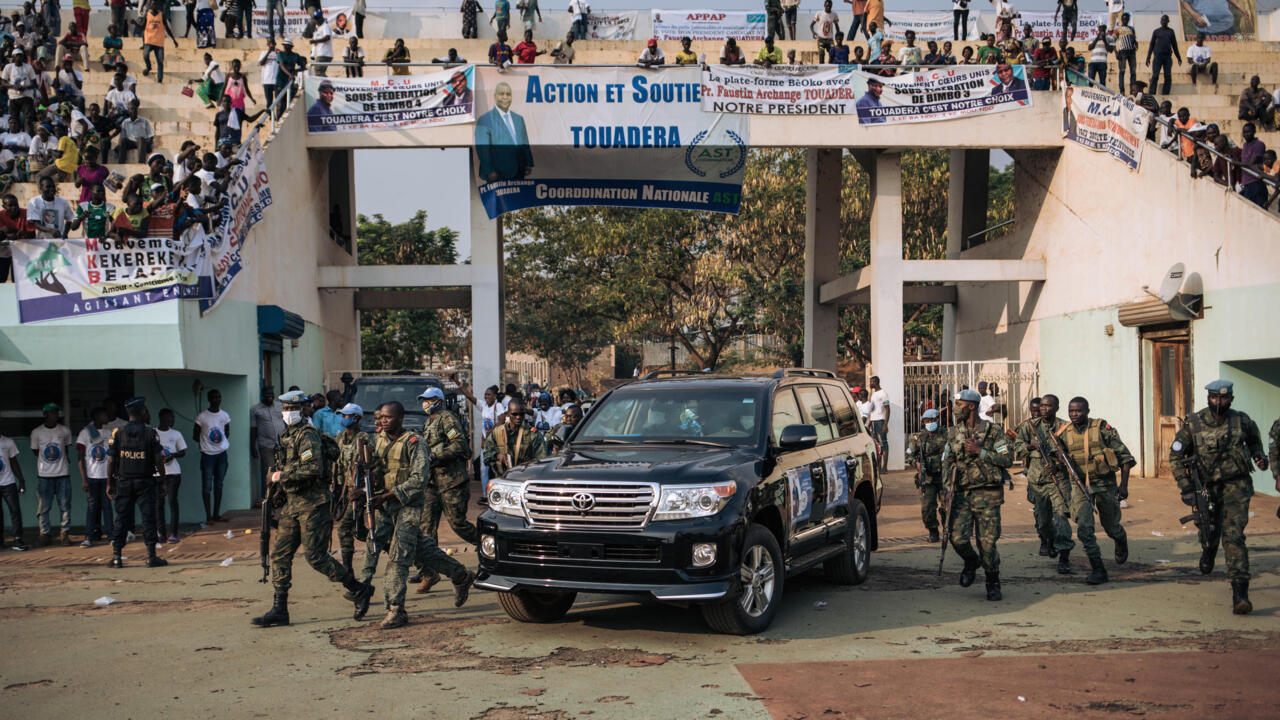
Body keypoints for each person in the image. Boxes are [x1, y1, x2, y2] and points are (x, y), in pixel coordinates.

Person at [252, 391, 375, 628]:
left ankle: (359, 589)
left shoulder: (308, 436)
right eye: (285, 408)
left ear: (304, 409)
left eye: (292, 408)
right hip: (292, 504)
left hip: (313, 505)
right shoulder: (288, 436)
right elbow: (289, 468)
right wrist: (278, 493)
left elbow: (313, 468)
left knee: (316, 557)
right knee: (280, 553)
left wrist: (277, 476)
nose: (287, 412)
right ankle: (280, 608)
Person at [359, 401, 472, 629]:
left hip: (408, 505)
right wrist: (363, 489)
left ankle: (395, 610)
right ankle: (460, 575)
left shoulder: (415, 442)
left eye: (388, 418)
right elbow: (376, 472)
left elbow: (419, 480)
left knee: (399, 556)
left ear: (400, 418)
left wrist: (390, 495)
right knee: (415, 548)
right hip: (384, 505)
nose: (383, 421)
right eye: (381, 418)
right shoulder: (378, 441)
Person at [1169, 380, 1269, 615]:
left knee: (1233, 536)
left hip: (1237, 485)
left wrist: (1259, 457)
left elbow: (1255, 442)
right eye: (1215, 397)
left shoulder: (1242, 420)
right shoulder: (1193, 424)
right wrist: (1186, 488)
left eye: (1224, 398)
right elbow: (1175, 457)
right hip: (1206, 488)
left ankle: (1240, 593)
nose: (1219, 402)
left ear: (1231, 399)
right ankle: (1208, 550)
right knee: (1210, 531)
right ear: (1208, 398)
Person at [942, 388, 1013, 601]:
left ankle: (993, 581)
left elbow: (1007, 459)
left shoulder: (994, 432)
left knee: (988, 543)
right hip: (962, 495)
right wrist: (946, 490)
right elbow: (947, 462)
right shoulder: (953, 432)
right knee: (957, 538)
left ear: (971, 406)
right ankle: (971, 561)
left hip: (988, 495)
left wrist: (979, 452)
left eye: (960, 405)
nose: (956, 409)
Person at [1055, 397, 1133, 586]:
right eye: (1071, 411)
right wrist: (1056, 464)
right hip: (1080, 486)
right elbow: (1058, 459)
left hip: (1105, 485)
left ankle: (1120, 538)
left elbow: (1125, 458)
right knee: (1084, 529)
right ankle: (1098, 569)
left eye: (1078, 411)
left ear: (1087, 411)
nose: (1074, 415)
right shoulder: (1063, 433)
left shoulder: (1101, 429)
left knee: (1111, 526)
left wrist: (1123, 486)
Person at [417, 387, 476, 588]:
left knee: (458, 524)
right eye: (424, 400)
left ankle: (489, 549)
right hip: (432, 483)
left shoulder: (447, 418)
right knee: (426, 527)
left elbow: (460, 445)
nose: (425, 403)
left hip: (452, 482)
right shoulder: (429, 422)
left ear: (439, 401)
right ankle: (429, 572)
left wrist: (436, 455)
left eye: (429, 400)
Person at [1011, 394, 1074, 567]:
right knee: (1043, 521)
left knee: (1061, 517)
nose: (1044, 409)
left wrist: (1059, 465)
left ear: (1056, 408)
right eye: (1043, 406)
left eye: (1049, 406)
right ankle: (1049, 539)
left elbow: (1072, 455)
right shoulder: (1030, 427)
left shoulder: (1065, 427)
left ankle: (1064, 556)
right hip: (1037, 481)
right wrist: (1031, 447)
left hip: (1058, 480)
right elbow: (1017, 446)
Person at [105, 398, 166, 568]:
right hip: (145, 482)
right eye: (146, 410)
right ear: (141, 412)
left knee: (121, 518)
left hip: (124, 481)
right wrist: (163, 481)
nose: (147, 413)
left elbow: (111, 460)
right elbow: (158, 460)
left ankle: (117, 556)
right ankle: (151, 556)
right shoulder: (150, 433)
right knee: (148, 518)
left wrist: (109, 483)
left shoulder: (118, 432)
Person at [333, 402, 370, 580]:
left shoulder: (364, 439)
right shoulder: (339, 438)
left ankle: (347, 569)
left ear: (356, 418)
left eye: (347, 416)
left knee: (344, 528)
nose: (344, 419)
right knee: (359, 531)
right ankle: (387, 545)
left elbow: (370, 467)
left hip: (358, 491)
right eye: (343, 415)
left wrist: (363, 489)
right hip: (343, 490)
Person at [31, 403, 73, 546]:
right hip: (44, 475)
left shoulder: (64, 431)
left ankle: (64, 532)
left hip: (62, 473)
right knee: (44, 506)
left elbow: (66, 449)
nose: (55, 415)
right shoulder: (37, 432)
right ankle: (44, 533)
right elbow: (36, 451)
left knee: (65, 504)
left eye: (56, 412)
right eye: (52, 412)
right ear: (45, 415)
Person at [475, 81, 532, 182]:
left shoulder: (519, 119)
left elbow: (524, 142)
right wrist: (489, 171)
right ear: (495, 96)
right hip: (497, 173)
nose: (505, 97)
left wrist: (528, 163)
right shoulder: (485, 119)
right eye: (501, 94)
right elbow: (482, 149)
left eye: (508, 94)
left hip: (519, 172)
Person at [906, 408, 946, 543]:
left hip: (944, 477)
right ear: (923, 422)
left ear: (937, 421)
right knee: (927, 508)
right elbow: (909, 455)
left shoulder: (946, 435)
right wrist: (915, 463)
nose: (930, 423)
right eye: (927, 421)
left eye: (932, 420)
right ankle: (933, 531)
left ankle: (948, 530)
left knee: (948, 505)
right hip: (927, 478)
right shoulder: (917, 438)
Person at [76, 406, 113, 547]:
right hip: (92, 476)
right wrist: (84, 479)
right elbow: (81, 458)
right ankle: (88, 537)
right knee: (92, 507)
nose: (107, 416)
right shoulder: (86, 433)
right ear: (97, 417)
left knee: (107, 506)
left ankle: (111, 535)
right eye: (104, 414)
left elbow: (111, 455)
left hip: (106, 476)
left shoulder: (108, 432)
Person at [482, 396, 546, 479]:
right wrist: (497, 455)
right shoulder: (497, 432)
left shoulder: (533, 434)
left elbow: (541, 459)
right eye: (514, 414)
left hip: (524, 479)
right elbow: (486, 456)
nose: (518, 417)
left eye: (521, 414)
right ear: (508, 413)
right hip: (502, 479)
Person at [193, 388, 230, 525]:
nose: (217, 400)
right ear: (209, 399)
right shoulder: (202, 416)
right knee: (207, 485)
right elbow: (195, 435)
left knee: (219, 484)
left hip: (222, 455)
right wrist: (207, 444)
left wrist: (219, 445)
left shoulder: (224, 415)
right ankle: (208, 516)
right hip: (207, 455)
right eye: (214, 397)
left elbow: (227, 432)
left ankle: (216, 514)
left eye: (219, 397)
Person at [154, 408, 185, 544]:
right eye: (170, 417)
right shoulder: (153, 433)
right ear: (163, 418)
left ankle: (173, 533)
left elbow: (183, 451)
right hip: (156, 473)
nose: (172, 420)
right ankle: (161, 533)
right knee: (158, 504)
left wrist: (173, 455)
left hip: (173, 473)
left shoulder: (176, 434)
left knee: (173, 502)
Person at [250, 385, 284, 507]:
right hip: (266, 446)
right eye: (267, 394)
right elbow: (253, 429)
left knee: (282, 470)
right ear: (262, 395)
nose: (270, 396)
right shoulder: (255, 410)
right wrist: (252, 447)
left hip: (282, 445)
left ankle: (280, 498)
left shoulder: (280, 406)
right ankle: (269, 498)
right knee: (270, 471)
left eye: (271, 394)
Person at [0, 425, 27, 550]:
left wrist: (21, 480)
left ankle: (17, 539)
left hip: (8, 482)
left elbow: (14, 461)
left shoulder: (8, 442)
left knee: (15, 510)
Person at [137, 0, 177, 83]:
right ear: (150, 5)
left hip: (159, 42)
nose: (153, 5)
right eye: (152, 4)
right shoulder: (147, 14)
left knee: (160, 62)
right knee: (145, 55)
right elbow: (142, 28)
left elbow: (167, 28)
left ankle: (159, 80)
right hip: (149, 40)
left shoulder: (162, 15)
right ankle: (148, 66)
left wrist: (173, 39)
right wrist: (135, 24)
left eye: (155, 4)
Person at [1146, 14, 1180, 96]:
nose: (1163, 21)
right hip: (1157, 56)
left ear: (1168, 21)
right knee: (1155, 75)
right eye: (1162, 20)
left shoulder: (1171, 32)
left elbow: (1174, 45)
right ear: (1160, 21)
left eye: (1165, 20)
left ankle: (1165, 93)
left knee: (1167, 76)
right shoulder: (1156, 31)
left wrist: (1179, 57)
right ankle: (1152, 92)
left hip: (1167, 57)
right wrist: (1148, 57)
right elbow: (1151, 45)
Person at [1237, 123, 1268, 206]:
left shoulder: (1259, 144)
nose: (1246, 134)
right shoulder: (1245, 145)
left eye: (1248, 132)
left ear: (1254, 132)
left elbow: (1250, 163)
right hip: (1246, 183)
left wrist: (1236, 163)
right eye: (1244, 132)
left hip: (1256, 182)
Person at [867, 376, 889, 473]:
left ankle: (885, 467)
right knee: (877, 445)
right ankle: (878, 467)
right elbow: (872, 410)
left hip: (880, 421)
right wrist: (869, 423)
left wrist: (885, 424)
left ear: (876, 382)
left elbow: (888, 409)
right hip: (874, 421)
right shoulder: (873, 394)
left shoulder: (883, 393)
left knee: (883, 443)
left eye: (871, 382)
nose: (870, 384)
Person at [309, 10, 333, 76]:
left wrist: (315, 41)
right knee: (319, 72)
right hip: (320, 53)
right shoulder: (318, 28)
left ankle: (328, 85)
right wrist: (313, 52)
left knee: (318, 71)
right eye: (315, 19)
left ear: (321, 18)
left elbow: (327, 37)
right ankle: (326, 85)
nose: (316, 20)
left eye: (317, 18)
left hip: (325, 53)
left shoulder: (326, 26)